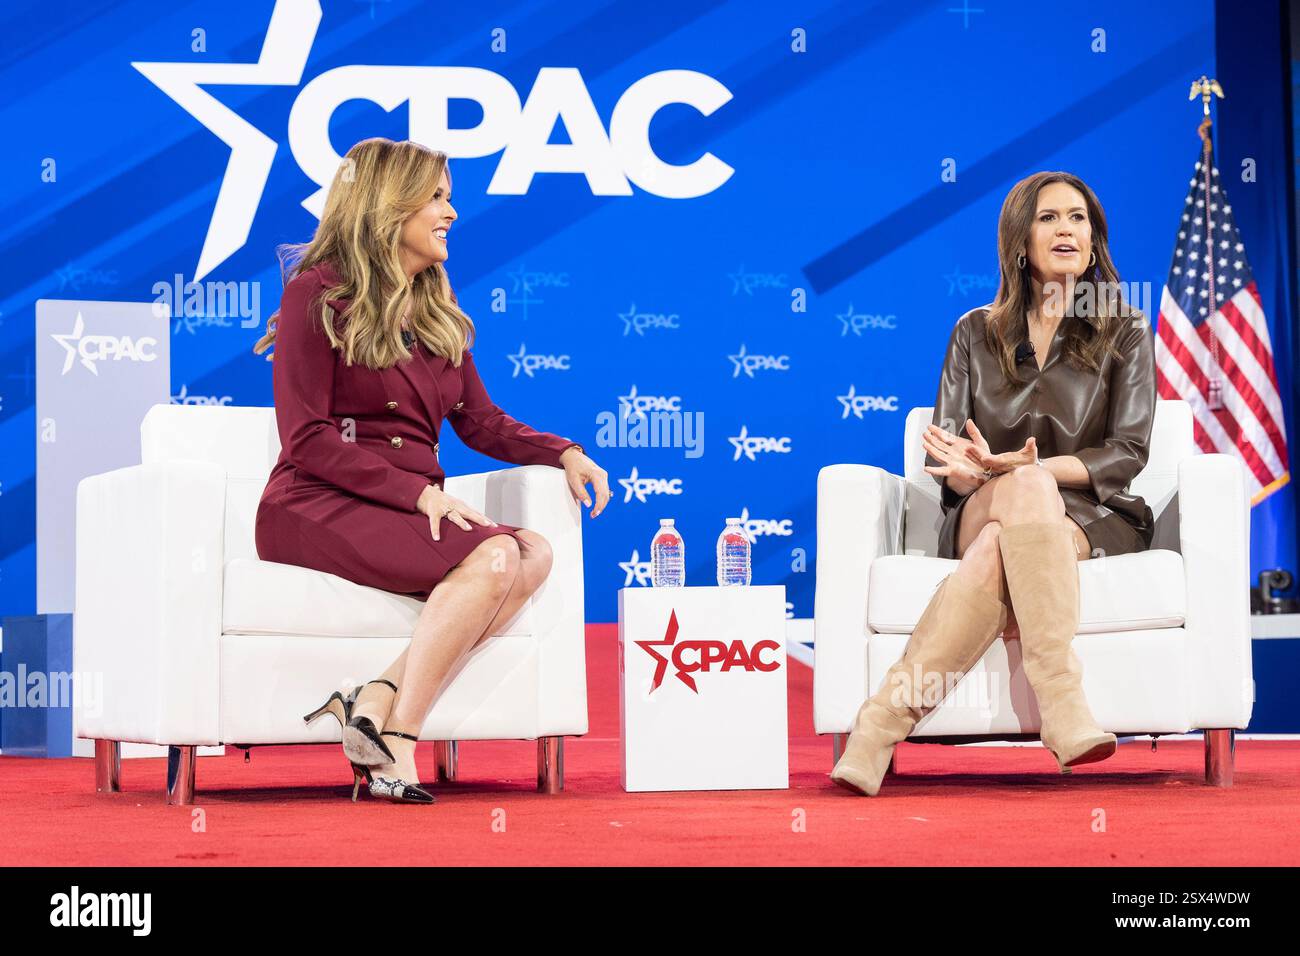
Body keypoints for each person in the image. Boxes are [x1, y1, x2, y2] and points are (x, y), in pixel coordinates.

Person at [252, 138, 611, 803]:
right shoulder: (316, 294)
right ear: (390, 206)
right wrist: (416, 494)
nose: (452, 212)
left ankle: (376, 698)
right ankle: (401, 742)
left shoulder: (434, 302)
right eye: (438, 197)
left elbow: (481, 421)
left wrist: (562, 449)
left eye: (449, 197)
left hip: (401, 506)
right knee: (503, 556)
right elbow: (307, 438)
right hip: (314, 504)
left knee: (531, 551)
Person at [831, 171, 1157, 796]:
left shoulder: (1126, 329)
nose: (1067, 229)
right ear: (1020, 239)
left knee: (998, 544)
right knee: (1018, 497)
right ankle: (1062, 704)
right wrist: (967, 468)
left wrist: (1031, 470)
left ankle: (878, 726)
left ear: (1095, 237)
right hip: (983, 499)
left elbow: (1128, 450)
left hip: (1090, 513)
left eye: (1079, 217)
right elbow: (951, 445)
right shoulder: (974, 332)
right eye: (1049, 218)